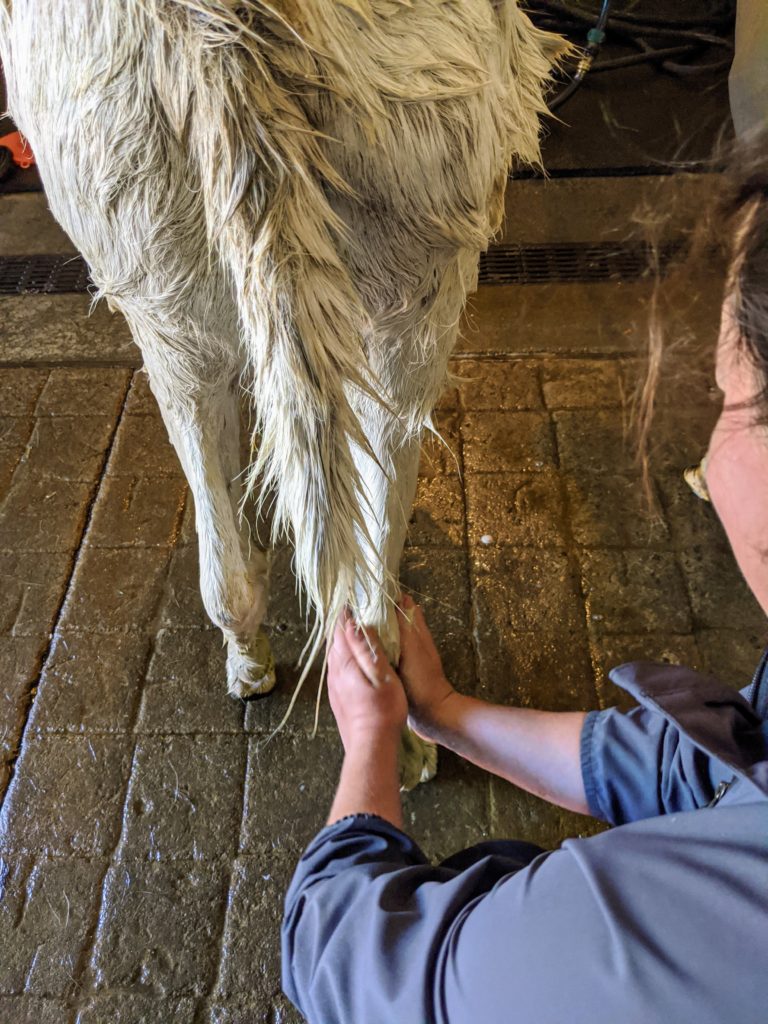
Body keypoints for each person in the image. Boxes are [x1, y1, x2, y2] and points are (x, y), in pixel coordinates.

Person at [280, 141, 768, 1023]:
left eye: (729, 397)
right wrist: (445, 712)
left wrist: (366, 742)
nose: (706, 443)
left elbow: (349, 960)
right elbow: (720, 769)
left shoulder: (663, 933)